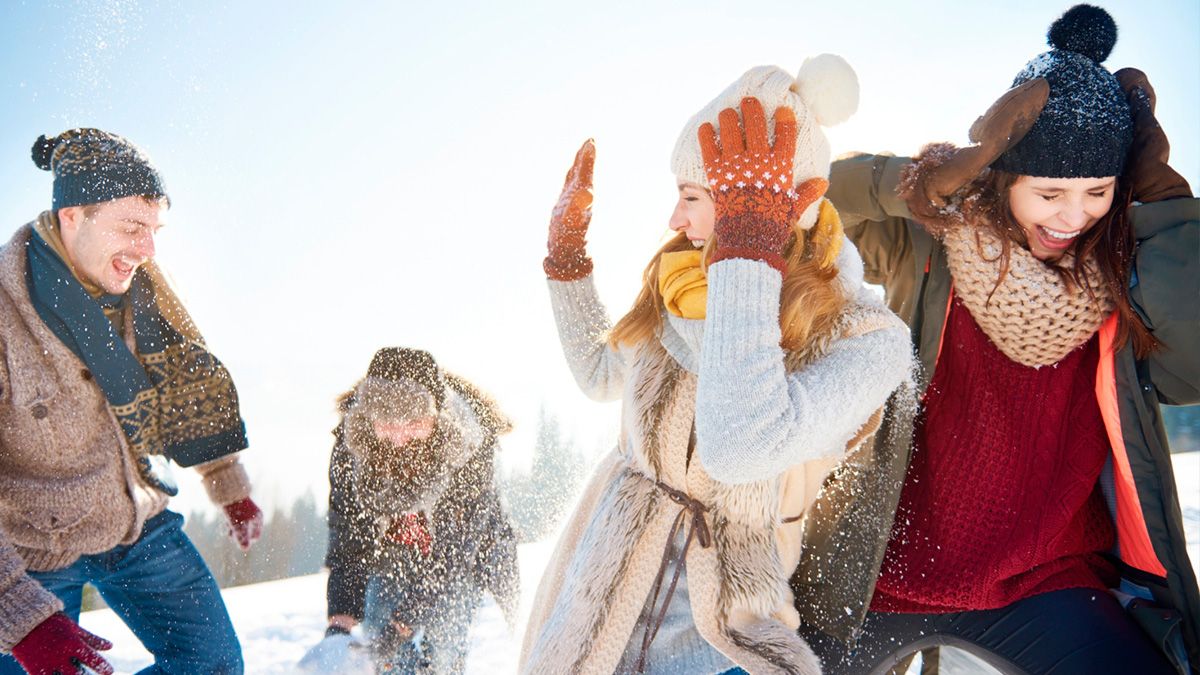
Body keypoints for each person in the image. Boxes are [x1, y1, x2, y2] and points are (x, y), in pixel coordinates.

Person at [804, 5, 1199, 674]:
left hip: (1046, 578)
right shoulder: (931, 238)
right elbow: (818, 199)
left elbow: (1190, 365)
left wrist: (1164, 207)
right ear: (1005, 176)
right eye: (1049, 193)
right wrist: (920, 181)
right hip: (876, 575)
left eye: (1098, 191)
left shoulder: (1118, 269)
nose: (1074, 217)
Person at [519, 55, 914, 675]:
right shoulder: (679, 281)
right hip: (604, 592)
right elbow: (601, 375)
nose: (674, 220)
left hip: (722, 629)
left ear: (767, 206)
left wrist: (745, 255)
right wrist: (567, 264)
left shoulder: (865, 338)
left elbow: (742, 446)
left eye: (692, 197)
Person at [0, 128, 263, 674]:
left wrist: (229, 485)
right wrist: (19, 614)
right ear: (72, 216)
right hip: (31, 548)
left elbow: (188, 387)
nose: (148, 249)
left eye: (154, 230)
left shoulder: (143, 292)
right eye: (131, 228)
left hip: (137, 520)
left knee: (212, 666)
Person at [302, 348, 520, 675]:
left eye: (414, 422)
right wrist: (339, 624)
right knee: (382, 653)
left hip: (461, 558)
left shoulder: (466, 440)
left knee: (444, 650)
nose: (400, 437)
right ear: (370, 416)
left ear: (436, 415)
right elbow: (349, 537)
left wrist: (400, 626)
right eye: (387, 423)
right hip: (392, 553)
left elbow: (453, 553)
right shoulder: (353, 446)